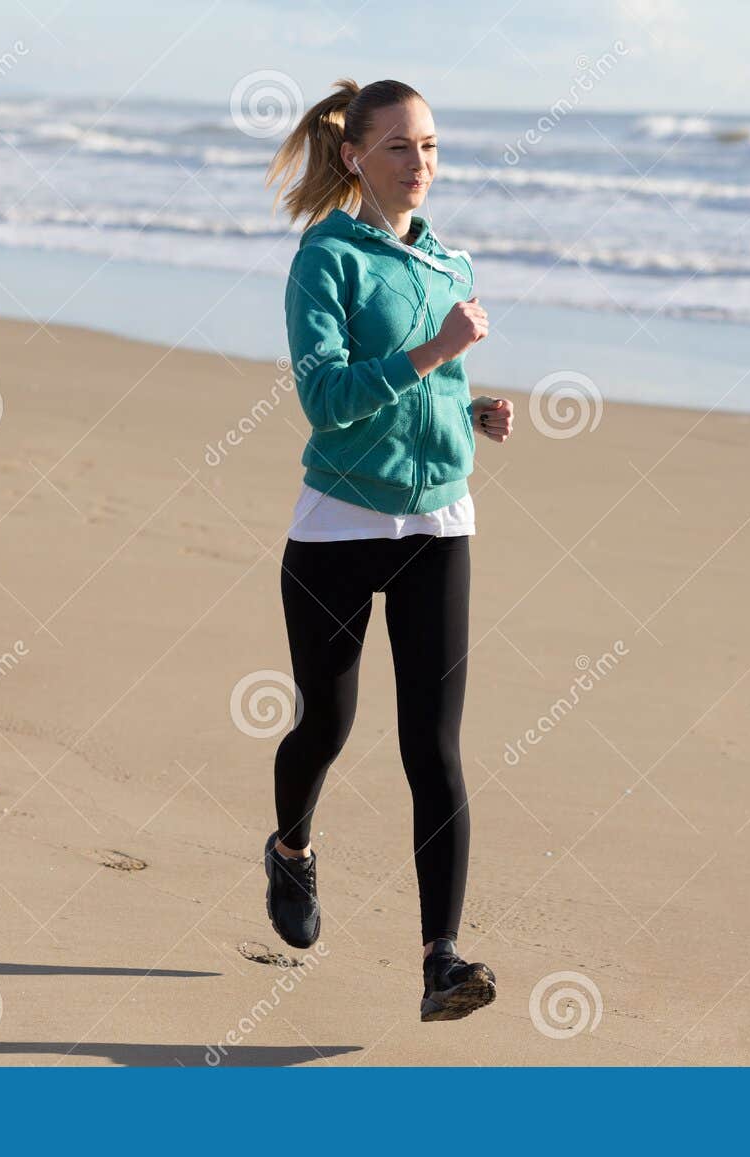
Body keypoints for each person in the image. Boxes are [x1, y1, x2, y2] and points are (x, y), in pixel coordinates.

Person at [261, 77, 514, 1021]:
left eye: (432, 146)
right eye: (401, 146)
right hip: (339, 523)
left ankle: (441, 960)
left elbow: (429, 385)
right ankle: (291, 848)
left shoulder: (450, 262)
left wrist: (469, 410)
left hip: (439, 526)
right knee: (325, 726)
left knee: (434, 747)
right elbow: (327, 399)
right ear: (354, 155)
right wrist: (434, 355)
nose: (421, 164)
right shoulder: (324, 259)